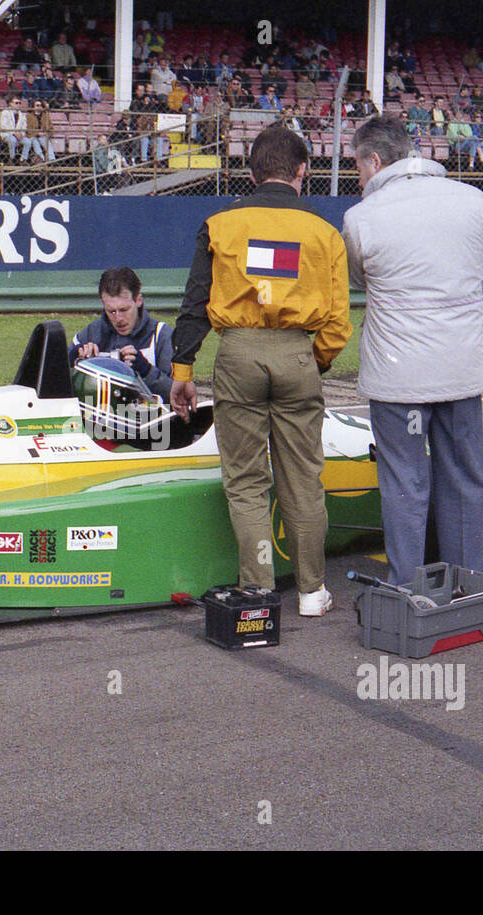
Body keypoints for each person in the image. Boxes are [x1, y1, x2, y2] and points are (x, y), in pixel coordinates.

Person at [170, 124, 352, 616]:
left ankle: (257, 588)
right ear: (302, 172)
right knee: (302, 479)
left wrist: (182, 368)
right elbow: (338, 322)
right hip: (297, 352)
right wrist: (311, 362)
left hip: (238, 353)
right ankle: (313, 592)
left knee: (247, 481)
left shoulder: (219, 223)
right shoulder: (326, 232)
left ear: (251, 173)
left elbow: (194, 303)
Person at [341, 116, 483, 587]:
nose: (357, 177)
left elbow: (359, 278)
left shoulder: (360, 218)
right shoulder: (473, 201)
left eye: (357, 166)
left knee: (404, 484)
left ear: (374, 161)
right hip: (460, 369)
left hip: (396, 377)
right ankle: (467, 588)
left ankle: (406, 591)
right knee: (464, 479)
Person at [69, 267, 174, 400]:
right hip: (95, 418)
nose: (118, 319)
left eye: (124, 310)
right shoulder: (90, 333)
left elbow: (179, 395)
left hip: (150, 418)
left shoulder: (161, 335)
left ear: (138, 300)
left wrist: (146, 371)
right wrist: (74, 361)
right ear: (103, 304)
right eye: (111, 311)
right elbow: (54, 384)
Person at [0, 96, 27, 161]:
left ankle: (23, 159)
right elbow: (4, 126)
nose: (18, 105)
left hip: (18, 136)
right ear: (11, 104)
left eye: (20, 103)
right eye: (16, 103)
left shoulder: (22, 114)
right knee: (13, 140)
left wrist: (22, 134)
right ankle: (12, 158)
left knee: (27, 142)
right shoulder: (5, 112)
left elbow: (24, 127)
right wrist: (14, 133)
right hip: (7, 134)